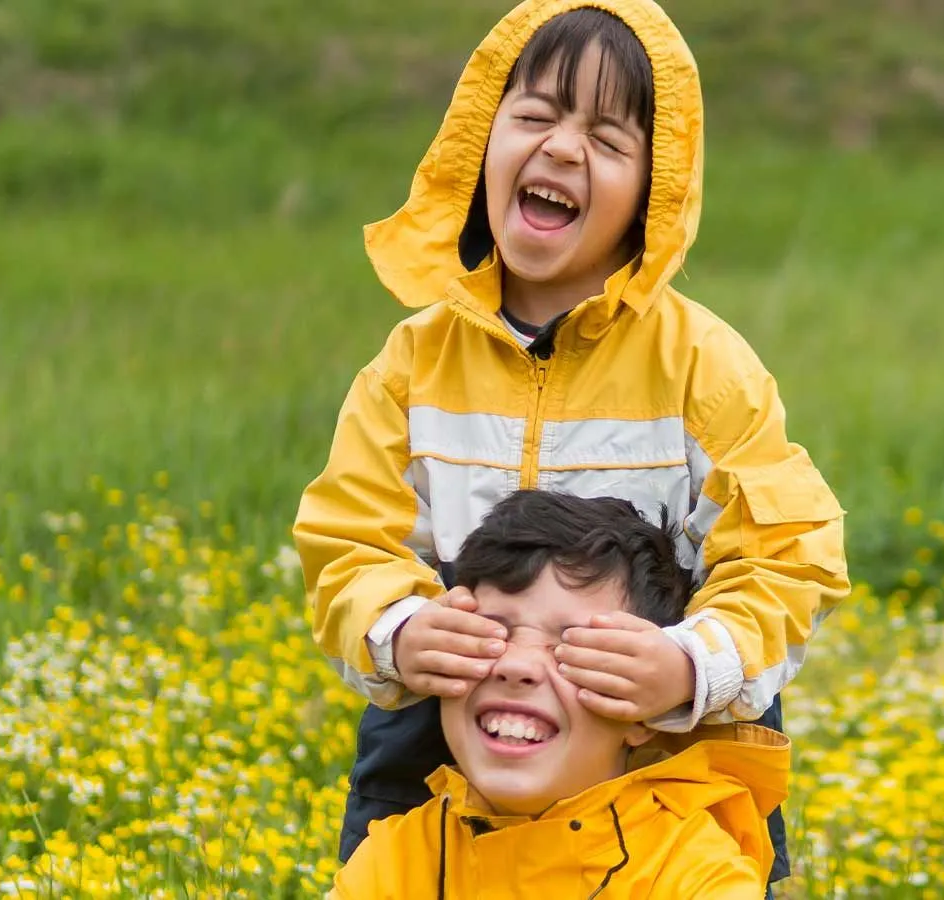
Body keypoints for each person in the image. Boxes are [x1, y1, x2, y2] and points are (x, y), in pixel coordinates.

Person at [294, 0, 849, 890]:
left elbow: (788, 557)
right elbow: (347, 542)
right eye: (536, 116)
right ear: (480, 143)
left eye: (605, 137)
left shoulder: (703, 365)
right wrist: (401, 631)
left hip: (659, 744)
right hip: (460, 720)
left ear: (652, 196)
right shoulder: (412, 364)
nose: (559, 148)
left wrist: (688, 664)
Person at [328, 491, 791, 899]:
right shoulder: (392, 860)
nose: (517, 665)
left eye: (572, 643)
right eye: (490, 633)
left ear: (646, 710)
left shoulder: (696, 875)